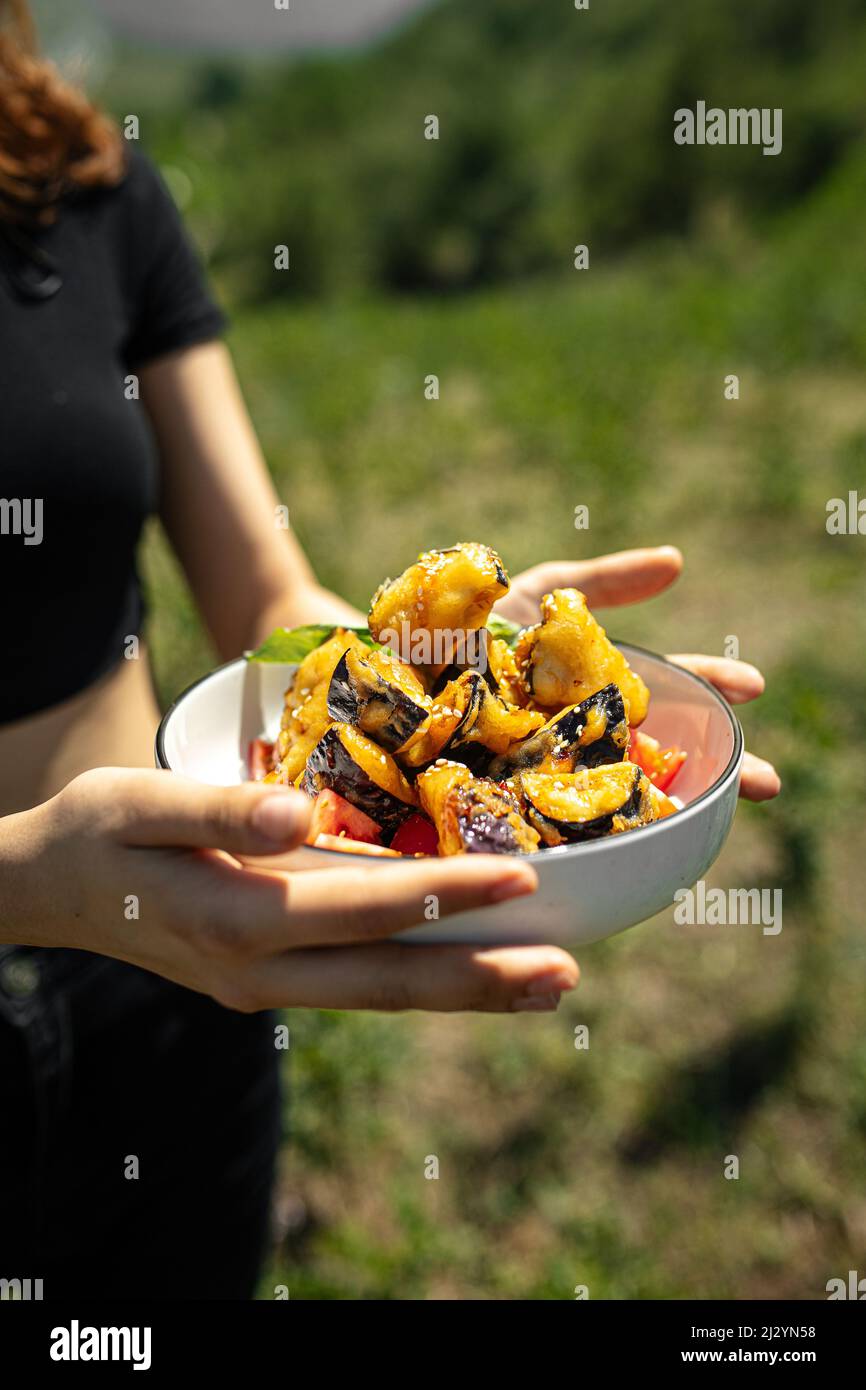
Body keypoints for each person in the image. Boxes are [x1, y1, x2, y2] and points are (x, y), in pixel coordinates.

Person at [0, 1, 780, 1299]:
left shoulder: (91, 184)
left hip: (183, 977)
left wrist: (426, 665)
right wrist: (25, 877)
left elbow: (262, 588)